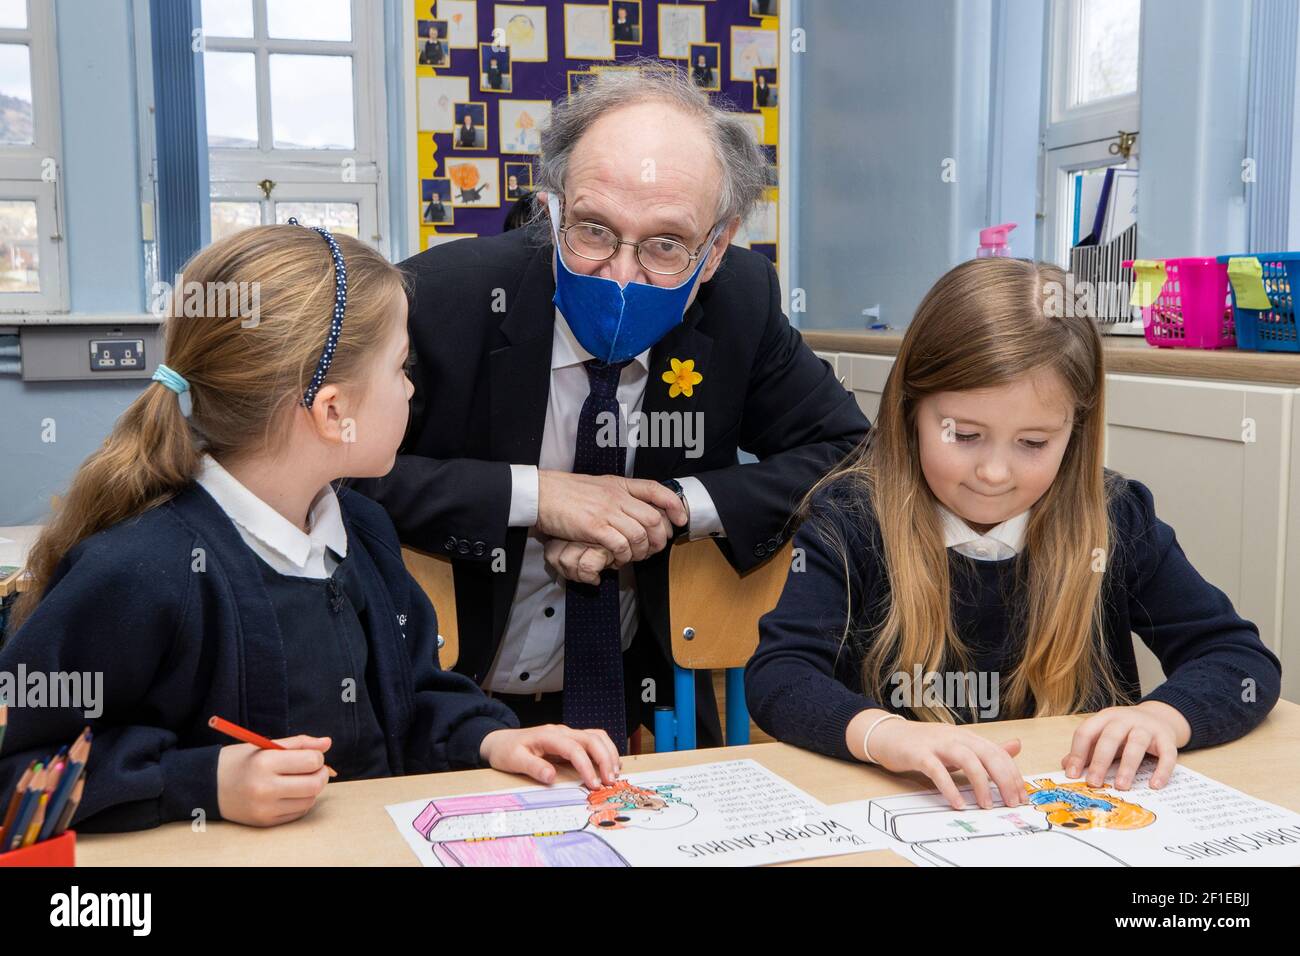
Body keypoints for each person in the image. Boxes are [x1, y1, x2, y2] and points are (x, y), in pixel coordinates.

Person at [0, 224, 620, 832]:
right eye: (402, 368)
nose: (410, 390)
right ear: (333, 411)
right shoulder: (140, 572)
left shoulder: (364, 531)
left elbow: (414, 695)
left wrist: (487, 739)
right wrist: (204, 783)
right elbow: (21, 776)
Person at [350, 61, 869, 754]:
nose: (623, 275)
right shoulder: (442, 298)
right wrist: (538, 498)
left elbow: (848, 454)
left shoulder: (740, 303)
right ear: (552, 208)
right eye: (593, 230)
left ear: (715, 247)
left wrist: (670, 508)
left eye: (666, 245)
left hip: (644, 710)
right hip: (443, 705)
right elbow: (337, 471)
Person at [746, 257, 1282, 810]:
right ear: (910, 411)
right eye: (966, 434)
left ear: (1076, 430)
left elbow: (1238, 659)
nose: (995, 473)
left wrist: (1161, 718)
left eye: (1033, 443)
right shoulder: (852, 521)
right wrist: (889, 735)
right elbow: (780, 679)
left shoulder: (1118, 519)